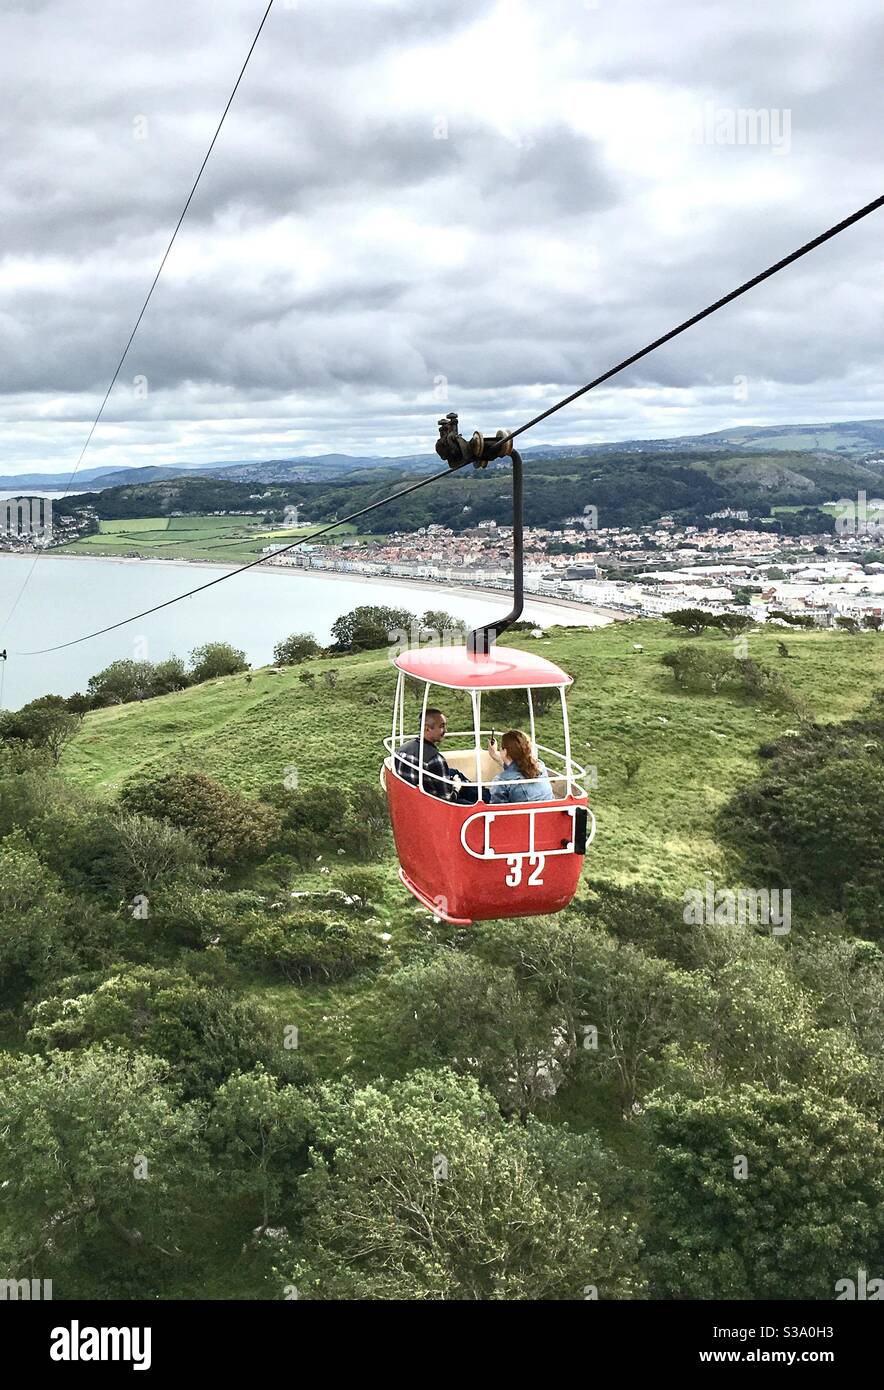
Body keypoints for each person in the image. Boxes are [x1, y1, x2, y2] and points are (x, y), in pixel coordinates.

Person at [395, 708, 473, 801]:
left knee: (454, 773)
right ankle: (488, 800)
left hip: (409, 799)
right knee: (467, 798)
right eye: (441, 726)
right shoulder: (435, 759)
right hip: (430, 804)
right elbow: (448, 800)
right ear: (427, 729)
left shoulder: (401, 750)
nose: (445, 730)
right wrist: (457, 787)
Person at [487, 729, 553, 803]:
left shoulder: (501, 781)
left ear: (505, 751)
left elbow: (496, 809)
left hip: (523, 814)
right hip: (550, 811)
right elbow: (515, 770)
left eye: (501, 748)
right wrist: (494, 755)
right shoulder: (540, 766)